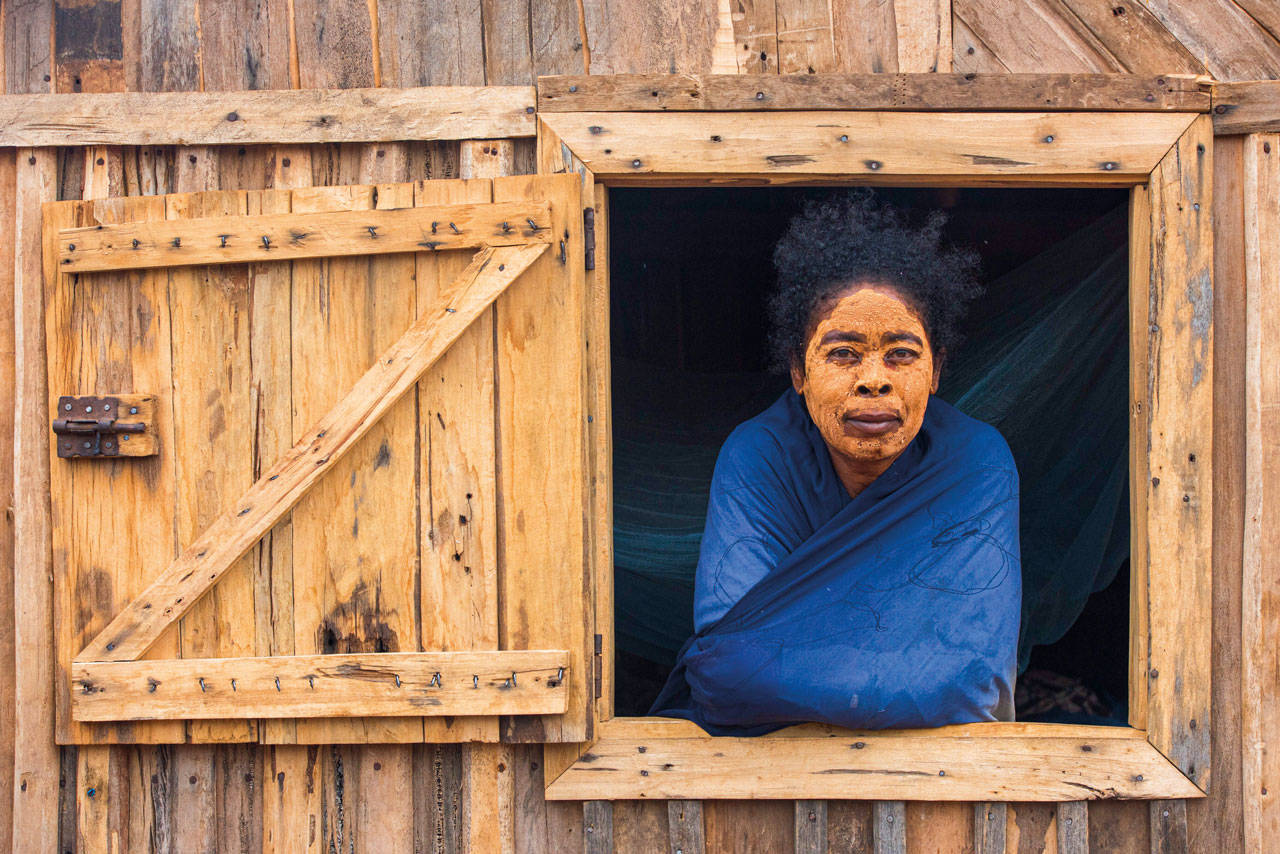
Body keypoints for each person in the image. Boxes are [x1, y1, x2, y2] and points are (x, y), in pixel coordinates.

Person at [647, 189, 1022, 734]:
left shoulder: (975, 463)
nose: (874, 378)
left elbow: (970, 681)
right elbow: (729, 673)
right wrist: (902, 664)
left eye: (902, 354)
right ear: (798, 373)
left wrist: (804, 664)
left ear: (936, 371)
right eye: (843, 354)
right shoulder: (762, 456)